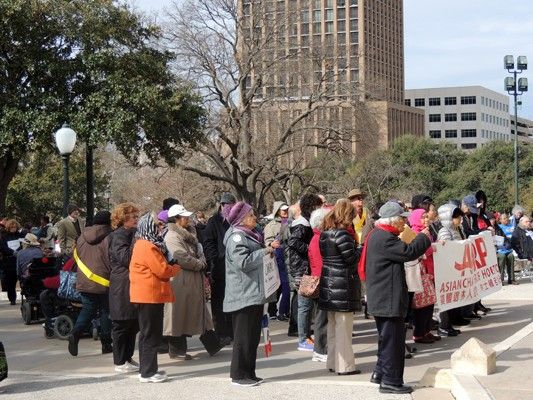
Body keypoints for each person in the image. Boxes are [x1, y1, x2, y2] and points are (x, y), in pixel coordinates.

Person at [362, 201, 431, 394]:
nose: (404, 224)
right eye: (402, 219)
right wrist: (423, 238)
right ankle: (391, 381)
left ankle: (380, 373)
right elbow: (408, 252)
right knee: (393, 341)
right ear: (392, 220)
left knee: (387, 339)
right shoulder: (385, 238)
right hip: (387, 298)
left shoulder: (378, 234)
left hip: (383, 297)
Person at [222, 202, 280, 387]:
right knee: (243, 338)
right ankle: (238, 375)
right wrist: (266, 251)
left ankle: (249, 372)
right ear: (241, 219)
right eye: (251, 215)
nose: (254, 218)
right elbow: (243, 262)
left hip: (253, 293)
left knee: (252, 337)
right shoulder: (236, 238)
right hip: (243, 295)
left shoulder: (250, 235)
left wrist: (266, 247)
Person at [163, 204, 221, 359]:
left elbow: (199, 252)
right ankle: (177, 349)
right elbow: (181, 257)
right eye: (184, 217)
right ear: (176, 219)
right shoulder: (171, 236)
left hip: (193, 279)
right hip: (181, 280)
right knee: (178, 314)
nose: (187, 219)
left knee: (198, 312)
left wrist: (201, 261)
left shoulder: (189, 234)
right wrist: (200, 263)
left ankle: (212, 344)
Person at [129, 212, 180, 383]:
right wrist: (175, 267)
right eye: (157, 225)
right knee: (150, 334)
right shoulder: (147, 246)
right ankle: (148, 372)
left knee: (147, 333)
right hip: (149, 295)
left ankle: (147, 369)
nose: (160, 228)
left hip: (147, 294)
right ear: (148, 227)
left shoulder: (143, 244)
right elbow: (163, 270)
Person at [318, 200, 361, 375]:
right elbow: (351, 259)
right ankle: (345, 366)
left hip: (328, 282)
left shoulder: (325, 234)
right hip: (342, 283)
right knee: (344, 328)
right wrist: (360, 247)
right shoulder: (343, 235)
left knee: (333, 328)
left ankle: (333, 362)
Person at [68, 211, 113, 357]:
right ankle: (106, 344)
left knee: (88, 310)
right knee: (106, 312)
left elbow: (76, 257)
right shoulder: (110, 236)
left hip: (85, 280)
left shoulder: (82, 237)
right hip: (105, 280)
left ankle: (75, 334)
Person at [288, 193, 324, 351]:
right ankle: (303, 338)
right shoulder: (302, 224)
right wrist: (310, 249)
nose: (320, 208)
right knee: (304, 305)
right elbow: (294, 242)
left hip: (305, 268)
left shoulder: (306, 222)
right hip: (302, 270)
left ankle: (307, 336)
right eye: (318, 205)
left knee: (309, 305)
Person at [108, 203, 141, 373]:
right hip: (122, 284)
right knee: (121, 323)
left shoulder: (132, 234)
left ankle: (128, 357)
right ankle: (120, 361)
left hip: (132, 283)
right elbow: (125, 258)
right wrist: (136, 241)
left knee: (133, 323)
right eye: (132, 216)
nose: (136, 219)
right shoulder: (119, 235)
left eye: (137, 215)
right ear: (123, 218)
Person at [204, 192, 237, 345]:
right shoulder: (214, 221)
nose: (228, 209)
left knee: (232, 301)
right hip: (219, 268)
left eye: (231, 206)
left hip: (233, 268)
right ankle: (221, 333)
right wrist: (214, 260)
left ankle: (232, 331)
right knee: (218, 302)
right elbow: (208, 243)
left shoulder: (234, 221)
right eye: (226, 206)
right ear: (221, 206)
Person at [407, 209, 440, 343]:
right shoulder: (413, 233)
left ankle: (426, 331)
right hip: (420, 273)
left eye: (426, 217)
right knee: (421, 305)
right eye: (422, 217)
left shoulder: (426, 232)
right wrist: (432, 247)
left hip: (429, 271)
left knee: (429, 303)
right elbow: (418, 250)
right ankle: (419, 333)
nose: (426, 219)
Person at [436, 204, 464, 337]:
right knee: (446, 300)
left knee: (452, 299)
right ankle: (444, 326)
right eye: (457, 217)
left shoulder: (455, 230)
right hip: (446, 269)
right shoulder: (444, 232)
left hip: (454, 268)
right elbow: (445, 250)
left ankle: (449, 324)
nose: (460, 220)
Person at [307, 208, 330, 362]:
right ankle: (320, 350)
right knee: (322, 318)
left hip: (320, 280)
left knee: (322, 317)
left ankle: (320, 349)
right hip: (322, 280)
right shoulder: (319, 239)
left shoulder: (317, 237)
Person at [264, 201, 291, 320]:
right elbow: (267, 242)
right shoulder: (271, 225)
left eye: (286, 209)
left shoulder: (291, 222)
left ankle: (285, 311)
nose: (285, 212)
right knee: (278, 286)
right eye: (283, 210)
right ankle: (275, 311)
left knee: (285, 286)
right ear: (277, 211)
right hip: (277, 259)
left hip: (289, 258)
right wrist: (271, 243)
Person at [0, 219, 24, 305]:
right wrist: (12, 252)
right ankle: (12, 299)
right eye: (12, 227)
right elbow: (3, 247)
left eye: (15, 227)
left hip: (19, 260)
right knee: (10, 282)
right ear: (8, 227)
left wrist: (18, 251)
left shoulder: (20, 235)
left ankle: (25, 296)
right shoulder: (4, 236)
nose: (13, 228)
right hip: (9, 261)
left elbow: (23, 244)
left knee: (23, 279)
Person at [496, 213, 517, 285]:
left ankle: (511, 279)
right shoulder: (499, 227)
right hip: (501, 249)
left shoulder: (512, 226)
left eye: (507, 218)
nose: (506, 219)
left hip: (510, 249)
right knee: (502, 257)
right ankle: (500, 280)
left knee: (511, 256)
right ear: (500, 220)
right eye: (504, 218)